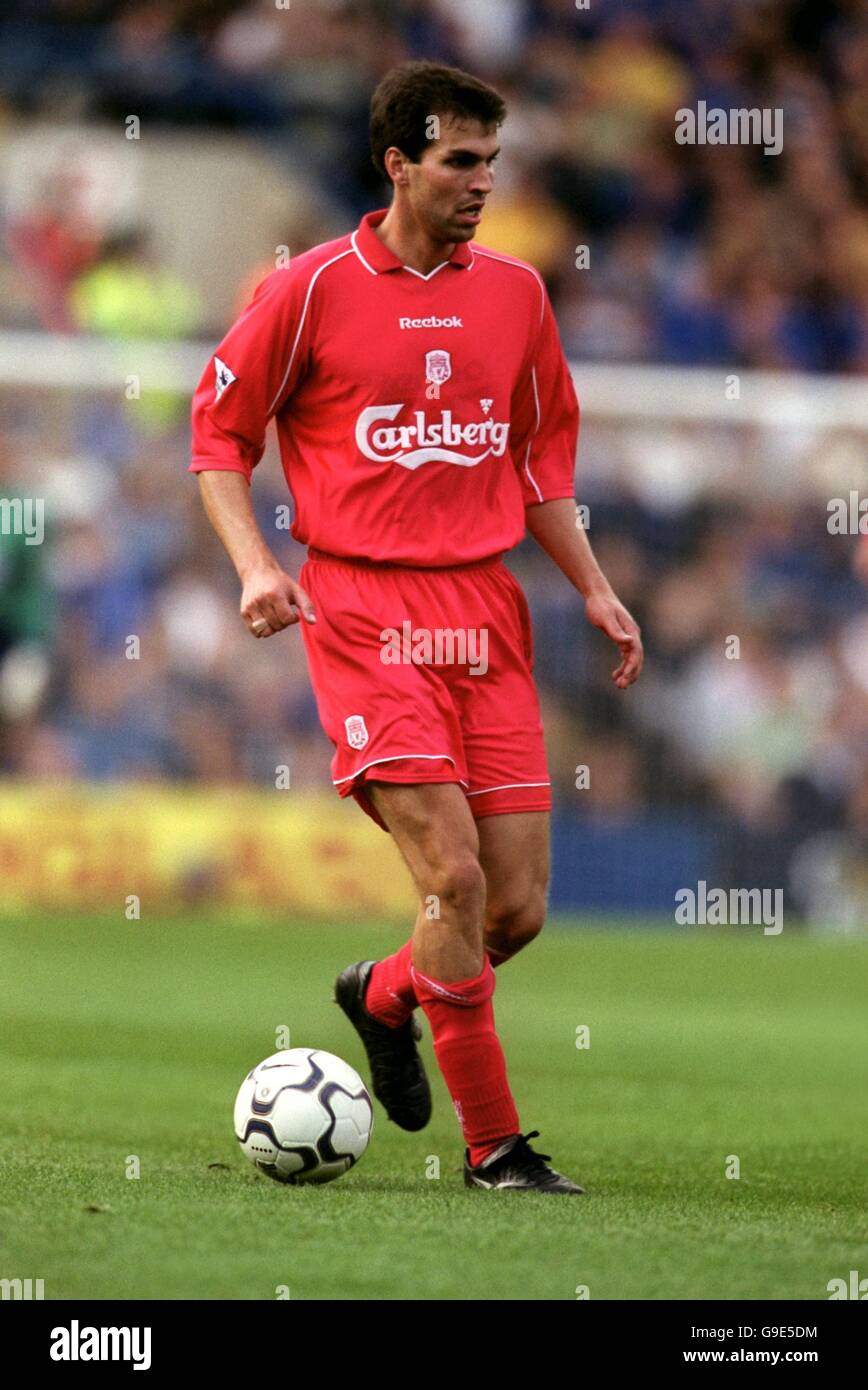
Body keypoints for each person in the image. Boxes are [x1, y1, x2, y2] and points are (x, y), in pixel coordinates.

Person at [190, 60, 643, 1194]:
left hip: (485, 610)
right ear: (398, 163)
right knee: (450, 876)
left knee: (516, 907)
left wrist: (590, 584)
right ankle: (496, 1149)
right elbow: (217, 440)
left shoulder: (517, 296)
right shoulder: (308, 289)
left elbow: (539, 464)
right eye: (460, 161)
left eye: (492, 161)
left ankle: (383, 994)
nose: (482, 181)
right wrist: (257, 568)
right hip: (362, 607)